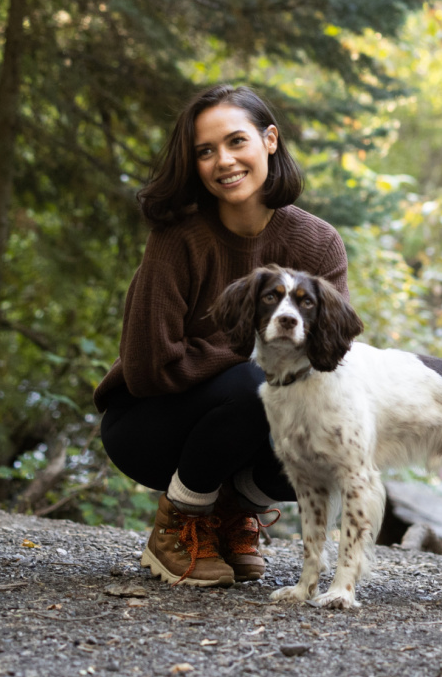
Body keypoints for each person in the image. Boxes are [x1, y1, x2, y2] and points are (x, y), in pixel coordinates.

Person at [94, 82, 349, 587]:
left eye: (236, 142)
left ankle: (234, 512)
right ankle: (179, 522)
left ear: (269, 141)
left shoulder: (318, 243)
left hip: (252, 416)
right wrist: (250, 356)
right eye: (205, 152)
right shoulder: (178, 237)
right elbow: (148, 367)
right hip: (150, 425)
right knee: (258, 381)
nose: (223, 161)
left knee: (328, 430)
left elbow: (328, 357)